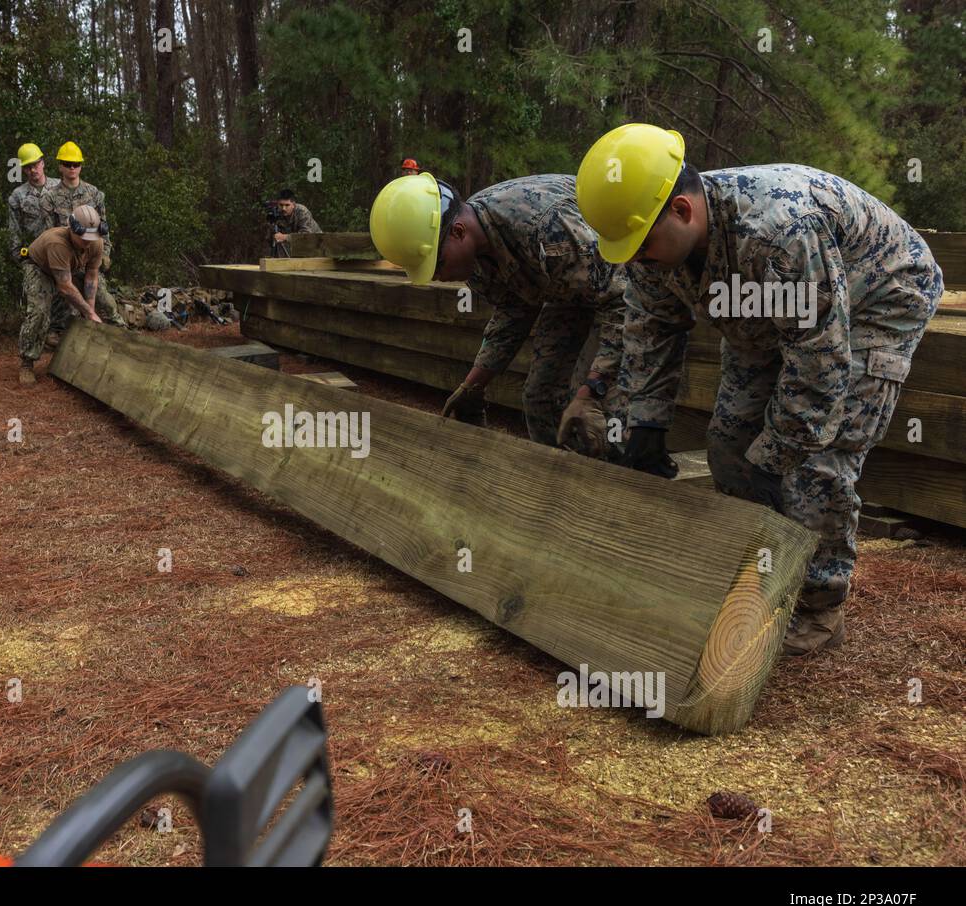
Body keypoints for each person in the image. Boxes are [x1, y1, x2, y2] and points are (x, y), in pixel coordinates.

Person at [576, 122, 944, 654]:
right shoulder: (648, 242)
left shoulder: (778, 230)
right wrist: (646, 424)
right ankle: (761, 575)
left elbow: (820, 368)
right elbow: (651, 329)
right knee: (728, 444)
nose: (635, 259)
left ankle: (820, 605)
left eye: (642, 246)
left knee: (815, 462)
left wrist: (777, 456)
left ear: (682, 210)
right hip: (762, 307)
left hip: (877, 296)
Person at [369, 172, 625, 456]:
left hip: (626, 291)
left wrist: (592, 389)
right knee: (541, 397)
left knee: (601, 411)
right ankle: (560, 489)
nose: (438, 276)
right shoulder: (474, 254)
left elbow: (621, 300)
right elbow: (513, 311)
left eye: (437, 264)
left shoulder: (546, 227)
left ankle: (620, 484)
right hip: (569, 288)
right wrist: (473, 386)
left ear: (458, 232)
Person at [17, 205, 114, 386]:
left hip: (69, 269)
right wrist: (89, 312)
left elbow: (92, 274)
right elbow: (64, 286)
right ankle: (27, 363)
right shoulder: (57, 242)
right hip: (40, 268)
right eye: (83, 238)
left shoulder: (96, 242)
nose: (87, 242)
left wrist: (90, 310)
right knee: (39, 311)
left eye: (91, 238)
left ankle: (78, 349)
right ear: (72, 229)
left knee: (102, 301)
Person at [40, 141, 124, 334]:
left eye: (76, 164)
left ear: (81, 166)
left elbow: (103, 227)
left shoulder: (94, 194)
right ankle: (58, 336)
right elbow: (48, 232)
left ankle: (122, 332)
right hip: (63, 260)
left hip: (89, 258)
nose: (72, 168)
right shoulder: (49, 197)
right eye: (68, 164)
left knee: (105, 301)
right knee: (65, 303)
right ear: (60, 165)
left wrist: (105, 253)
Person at [269, 189, 321, 256]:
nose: (283, 208)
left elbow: (306, 236)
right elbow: (271, 239)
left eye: (287, 205)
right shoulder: (276, 213)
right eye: (281, 205)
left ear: (293, 204)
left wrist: (285, 237)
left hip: (315, 245)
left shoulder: (302, 212)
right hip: (295, 247)